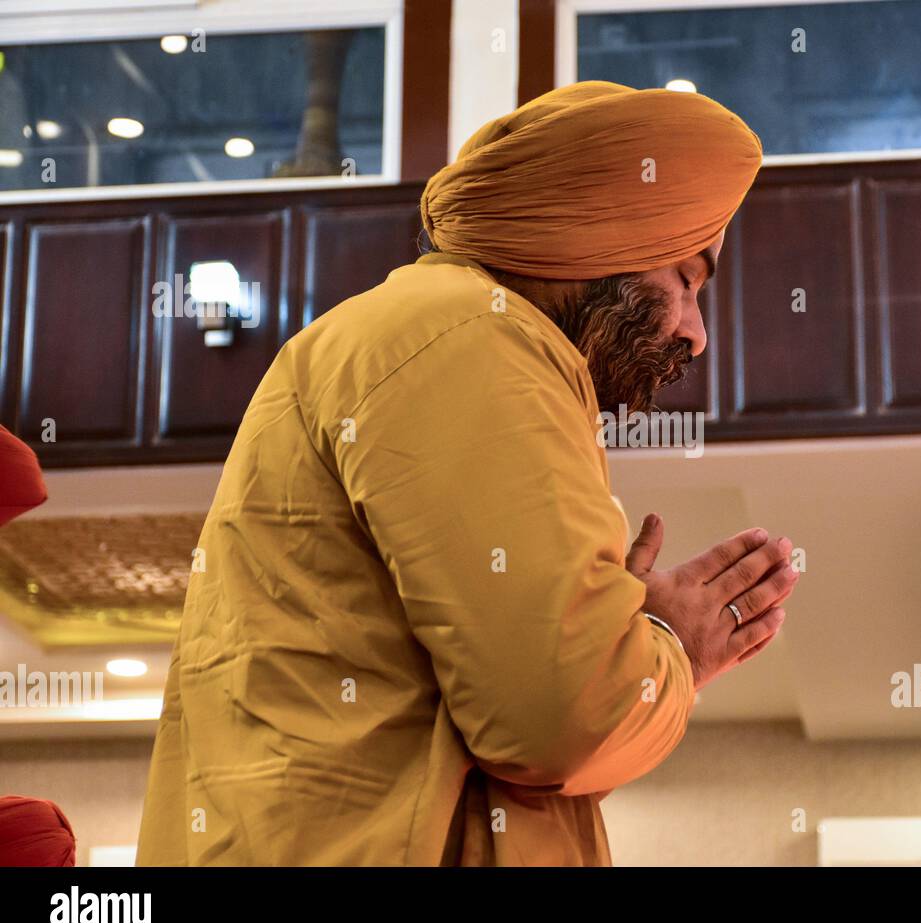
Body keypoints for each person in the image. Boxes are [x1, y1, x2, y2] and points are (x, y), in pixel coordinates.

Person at [137, 81, 798, 865]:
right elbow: (558, 724)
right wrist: (667, 650)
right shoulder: (475, 340)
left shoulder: (427, 331)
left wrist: (613, 644)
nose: (695, 336)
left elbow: (514, 754)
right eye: (688, 279)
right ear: (603, 230)